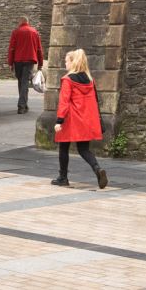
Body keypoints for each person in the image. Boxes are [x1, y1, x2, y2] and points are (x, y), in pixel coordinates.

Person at [51, 48, 107, 189]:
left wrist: (59, 120)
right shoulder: (90, 80)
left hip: (71, 118)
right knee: (83, 149)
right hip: (86, 119)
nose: (65, 64)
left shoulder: (68, 80)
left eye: (66, 61)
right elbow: (95, 101)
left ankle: (63, 177)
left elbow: (64, 101)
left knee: (63, 147)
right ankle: (97, 168)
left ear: (73, 62)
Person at [7, 16, 43, 114]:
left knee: (21, 81)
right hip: (29, 60)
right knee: (24, 82)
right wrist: (40, 63)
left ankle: (22, 105)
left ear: (20, 22)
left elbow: (11, 49)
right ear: (27, 22)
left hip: (18, 60)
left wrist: (10, 62)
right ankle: (23, 104)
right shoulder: (34, 32)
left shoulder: (15, 32)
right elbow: (39, 49)